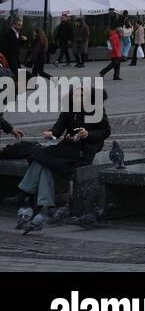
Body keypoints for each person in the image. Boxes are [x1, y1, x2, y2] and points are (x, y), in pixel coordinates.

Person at [10, 83, 111, 215]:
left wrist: (88, 134)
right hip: (68, 147)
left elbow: (105, 131)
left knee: (40, 156)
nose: (78, 98)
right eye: (75, 95)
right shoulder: (69, 108)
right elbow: (60, 125)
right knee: (44, 162)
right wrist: (52, 133)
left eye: (81, 95)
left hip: (85, 150)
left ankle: (24, 193)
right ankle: (44, 203)